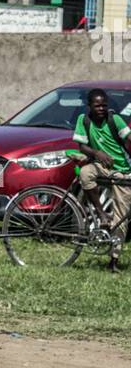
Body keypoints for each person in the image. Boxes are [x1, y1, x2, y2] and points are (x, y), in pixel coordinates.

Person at [72, 87, 131, 272]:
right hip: (100, 166)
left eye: (104, 105)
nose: (101, 109)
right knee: (85, 173)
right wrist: (97, 153)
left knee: (122, 217)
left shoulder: (115, 119)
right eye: (97, 105)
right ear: (89, 106)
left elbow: (129, 138)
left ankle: (113, 260)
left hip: (121, 170)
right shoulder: (84, 120)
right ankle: (101, 212)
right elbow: (81, 146)